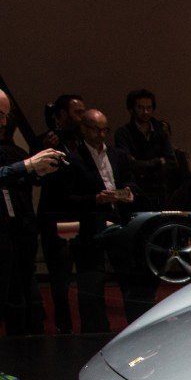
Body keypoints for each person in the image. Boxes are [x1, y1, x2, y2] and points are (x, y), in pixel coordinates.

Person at [1, 91, 64, 380]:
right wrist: (27, 166)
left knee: (12, 296)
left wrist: (37, 167)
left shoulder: (7, 146)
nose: (4, 122)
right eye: (0, 115)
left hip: (12, 231)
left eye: (6, 116)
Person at [66, 109, 138, 333]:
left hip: (121, 223)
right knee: (92, 287)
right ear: (83, 129)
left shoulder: (118, 155)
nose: (100, 134)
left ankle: (135, 333)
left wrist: (128, 192)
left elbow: (132, 182)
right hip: (92, 227)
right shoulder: (73, 158)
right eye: (95, 129)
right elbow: (66, 198)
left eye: (104, 129)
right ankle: (94, 336)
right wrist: (95, 199)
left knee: (130, 283)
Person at [37, 93, 86, 334]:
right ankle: (63, 326)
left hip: (82, 213)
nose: (81, 117)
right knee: (60, 278)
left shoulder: (82, 140)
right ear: (61, 115)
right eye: (76, 112)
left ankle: (87, 326)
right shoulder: (48, 142)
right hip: (56, 216)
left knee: (86, 275)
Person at [114, 89, 174, 209]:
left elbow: (171, 162)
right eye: (140, 108)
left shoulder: (160, 131)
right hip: (137, 191)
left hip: (161, 190)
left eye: (149, 107)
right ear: (131, 109)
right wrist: (157, 162)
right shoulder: (123, 133)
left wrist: (142, 164)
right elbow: (129, 164)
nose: (145, 112)